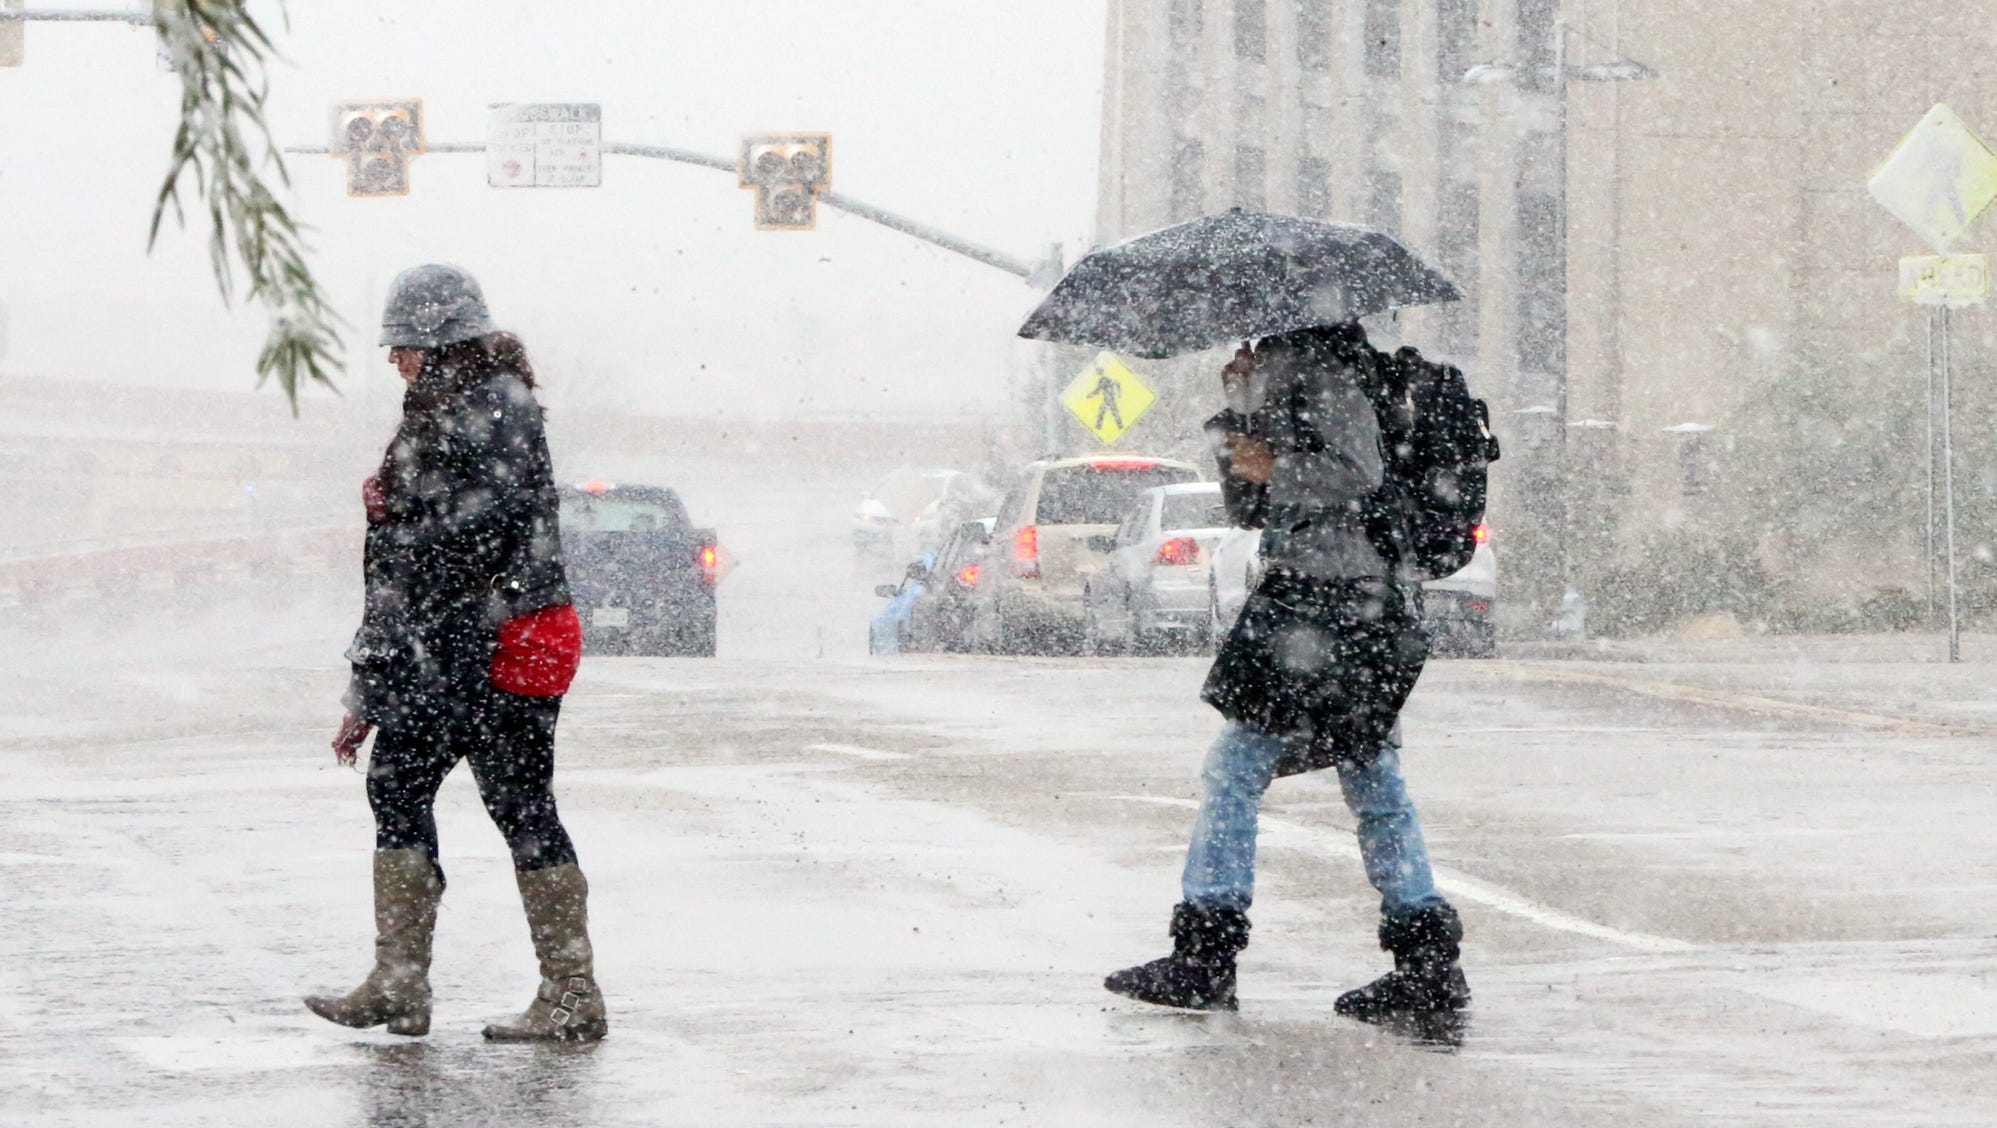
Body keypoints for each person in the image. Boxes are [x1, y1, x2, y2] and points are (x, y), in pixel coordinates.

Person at [1104, 322, 1469, 1026]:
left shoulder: (1326, 374)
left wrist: (1275, 462)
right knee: (1370, 774)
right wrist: (1240, 411)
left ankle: (1205, 953)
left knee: (1236, 768)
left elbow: (1356, 472)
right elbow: (1249, 508)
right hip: (1355, 598)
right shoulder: (1298, 374)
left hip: (1324, 600)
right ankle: (1425, 962)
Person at [304, 264, 607, 1043]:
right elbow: (450, 547)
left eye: (400, 344)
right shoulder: (497, 403)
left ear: (435, 345)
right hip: (514, 633)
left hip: (475, 645)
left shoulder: (454, 417)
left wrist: (391, 507)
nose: (392, 359)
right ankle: (559, 992)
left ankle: (411, 985)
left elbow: (420, 565)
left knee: (420, 790)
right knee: (511, 806)